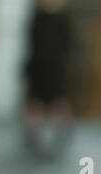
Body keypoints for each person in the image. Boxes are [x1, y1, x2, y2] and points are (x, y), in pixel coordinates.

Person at [22, 0, 76, 160]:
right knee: (51, 101)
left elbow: (32, 42)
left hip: (45, 67)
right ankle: (49, 135)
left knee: (43, 102)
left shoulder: (40, 18)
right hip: (51, 67)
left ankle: (37, 136)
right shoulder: (59, 19)